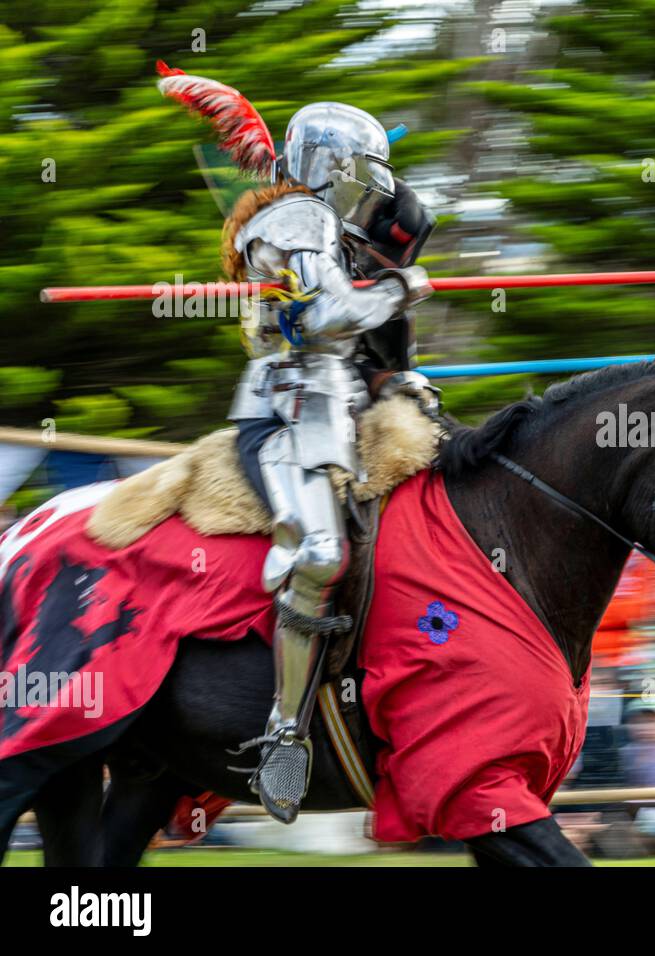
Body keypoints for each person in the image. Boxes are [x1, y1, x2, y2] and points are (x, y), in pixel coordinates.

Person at [221, 102, 436, 821]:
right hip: (286, 406)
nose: (369, 191)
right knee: (318, 552)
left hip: (344, 404)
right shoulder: (292, 222)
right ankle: (285, 735)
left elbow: (367, 346)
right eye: (359, 174)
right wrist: (402, 286)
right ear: (331, 165)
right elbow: (325, 318)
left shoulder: (335, 231)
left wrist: (405, 379)